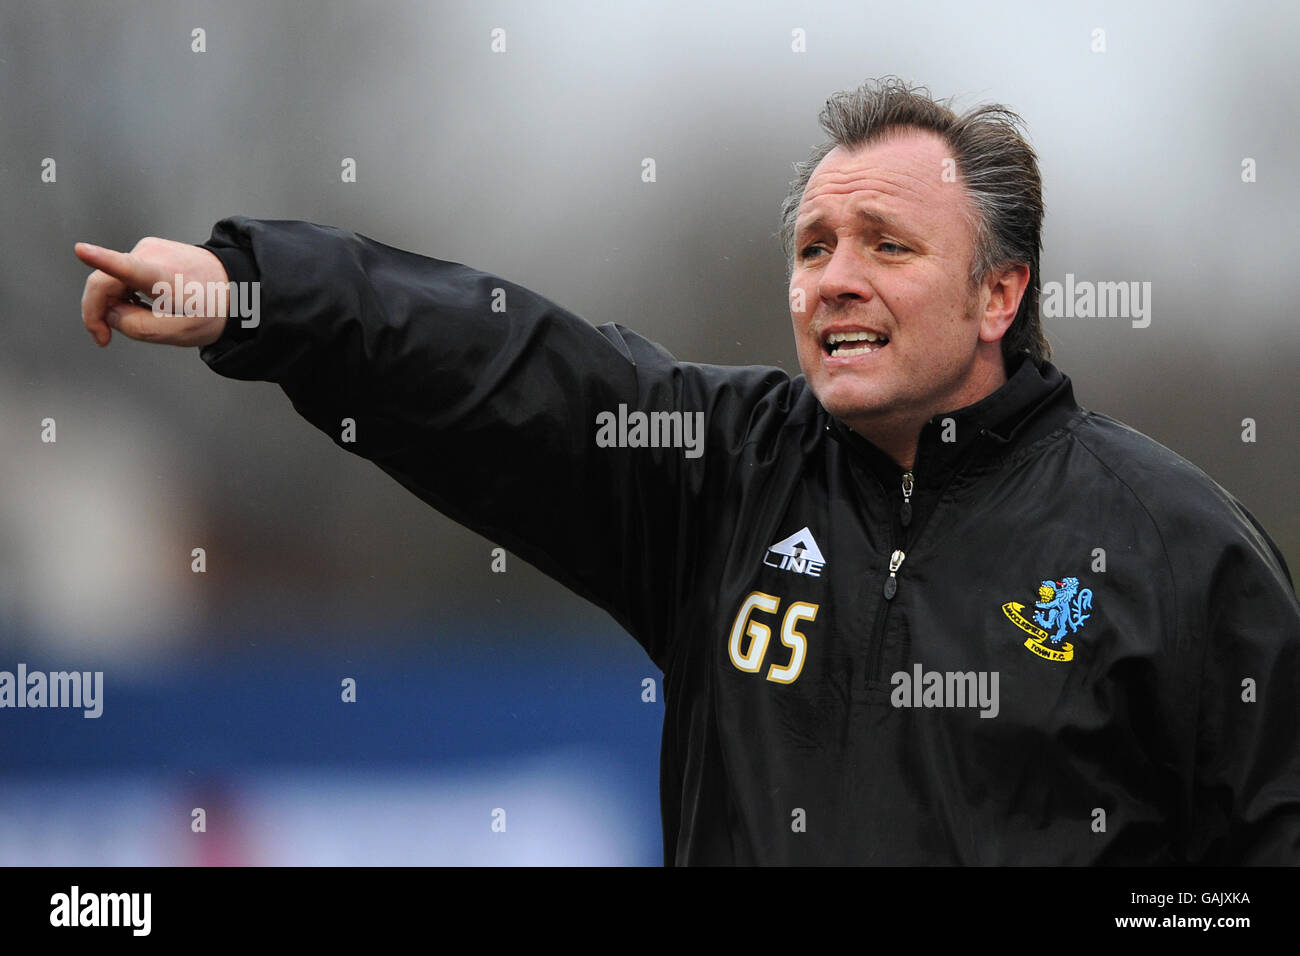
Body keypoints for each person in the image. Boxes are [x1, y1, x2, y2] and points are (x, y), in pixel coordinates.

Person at [76, 77, 1300, 865]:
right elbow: (503, 365)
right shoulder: (718, 473)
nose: (833, 278)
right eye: (814, 245)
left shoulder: (1169, 545)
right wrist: (260, 296)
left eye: (887, 243)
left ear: (999, 291)